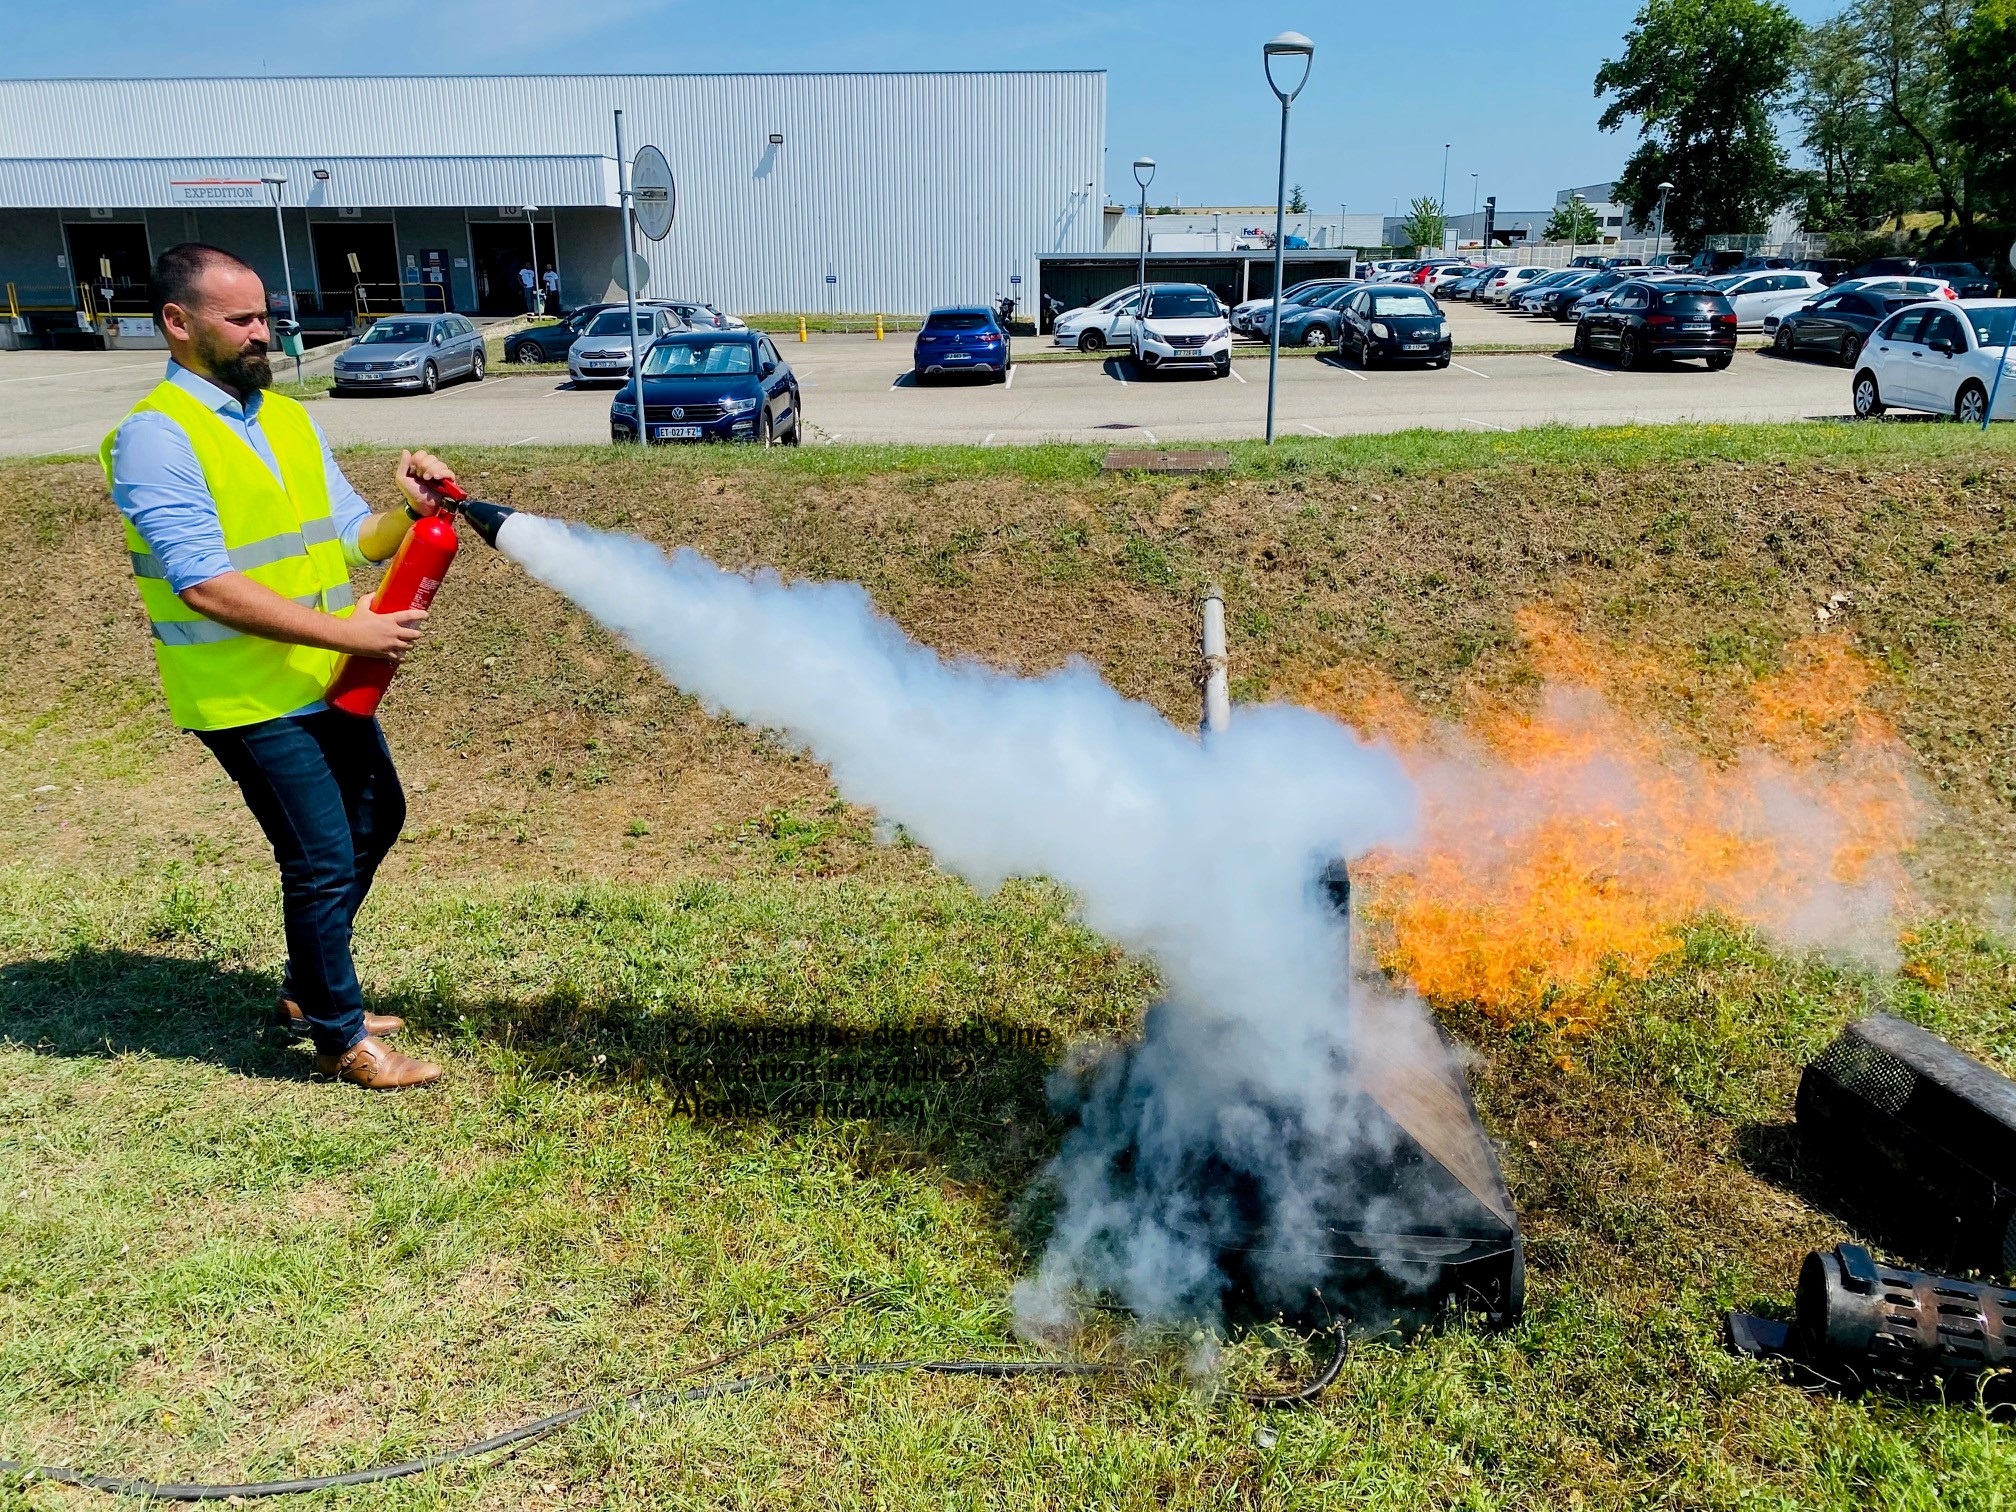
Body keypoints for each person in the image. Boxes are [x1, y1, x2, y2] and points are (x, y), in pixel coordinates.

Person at [105, 243, 454, 1090]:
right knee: (322, 854)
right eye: (242, 320)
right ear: (179, 325)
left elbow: (347, 534)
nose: (266, 333)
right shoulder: (154, 439)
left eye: (266, 314)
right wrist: (356, 639)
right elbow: (205, 586)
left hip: (319, 681)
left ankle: (310, 990)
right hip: (241, 695)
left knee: (375, 817)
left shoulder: (287, 420)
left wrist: (407, 517)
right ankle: (341, 1038)